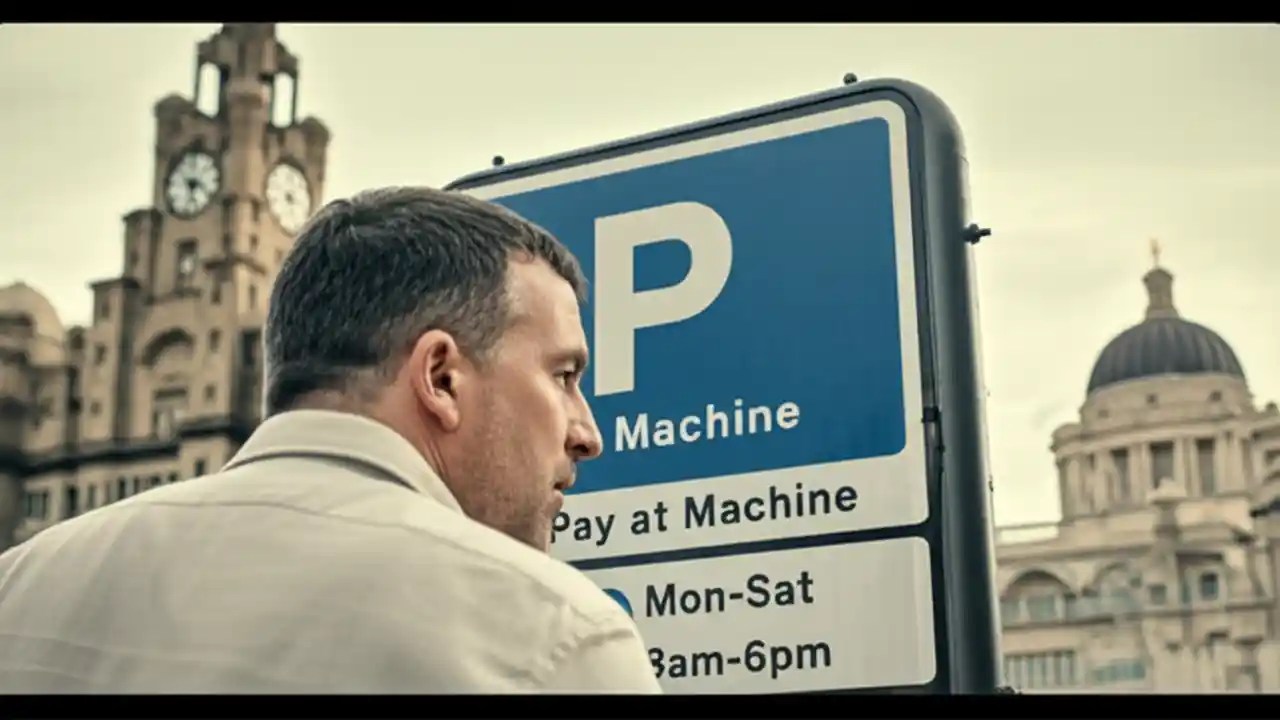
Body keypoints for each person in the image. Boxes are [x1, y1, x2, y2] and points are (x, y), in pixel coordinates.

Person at [0, 187, 662, 694]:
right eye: (565, 375)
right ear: (440, 377)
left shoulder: (19, 585)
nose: (587, 433)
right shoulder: (559, 636)